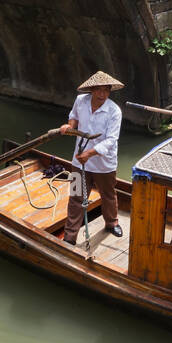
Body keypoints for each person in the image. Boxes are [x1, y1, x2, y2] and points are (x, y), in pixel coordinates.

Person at [59, 70, 124, 245]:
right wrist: (69, 126)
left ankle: (112, 223)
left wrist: (90, 153)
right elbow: (73, 118)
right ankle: (70, 235)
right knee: (76, 197)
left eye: (106, 90)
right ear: (92, 90)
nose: (102, 94)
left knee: (108, 195)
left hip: (104, 163)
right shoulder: (81, 101)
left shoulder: (114, 111)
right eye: (99, 90)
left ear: (109, 91)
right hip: (79, 160)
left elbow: (111, 140)